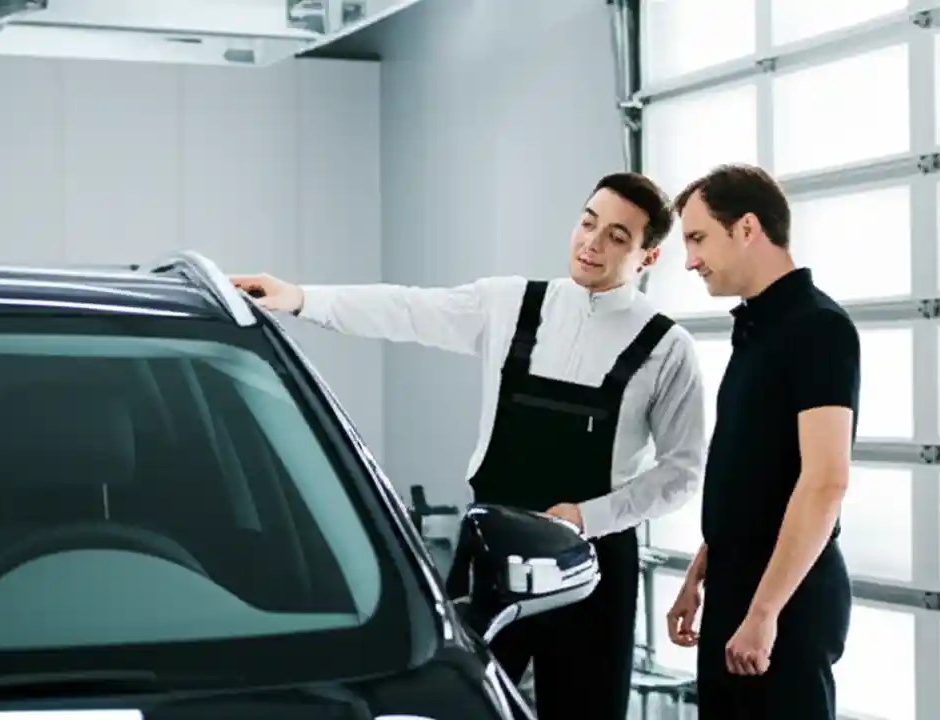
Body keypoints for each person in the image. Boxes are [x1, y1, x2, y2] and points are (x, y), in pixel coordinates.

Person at [232, 171, 706, 720]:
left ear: (647, 257)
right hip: (491, 556)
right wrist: (299, 298)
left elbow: (682, 473)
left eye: (617, 236)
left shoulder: (668, 348)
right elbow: (406, 309)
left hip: (591, 568)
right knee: (458, 707)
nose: (592, 243)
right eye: (587, 222)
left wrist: (588, 516)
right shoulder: (509, 305)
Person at [663, 164, 859, 719]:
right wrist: (705, 566)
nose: (690, 259)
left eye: (698, 238)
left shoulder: (818, 327)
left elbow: (824, 482)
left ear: (746, 228)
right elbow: (759, 469)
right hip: (736, 586)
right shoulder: (757, 329)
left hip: (786, 602)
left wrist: (764, 612)